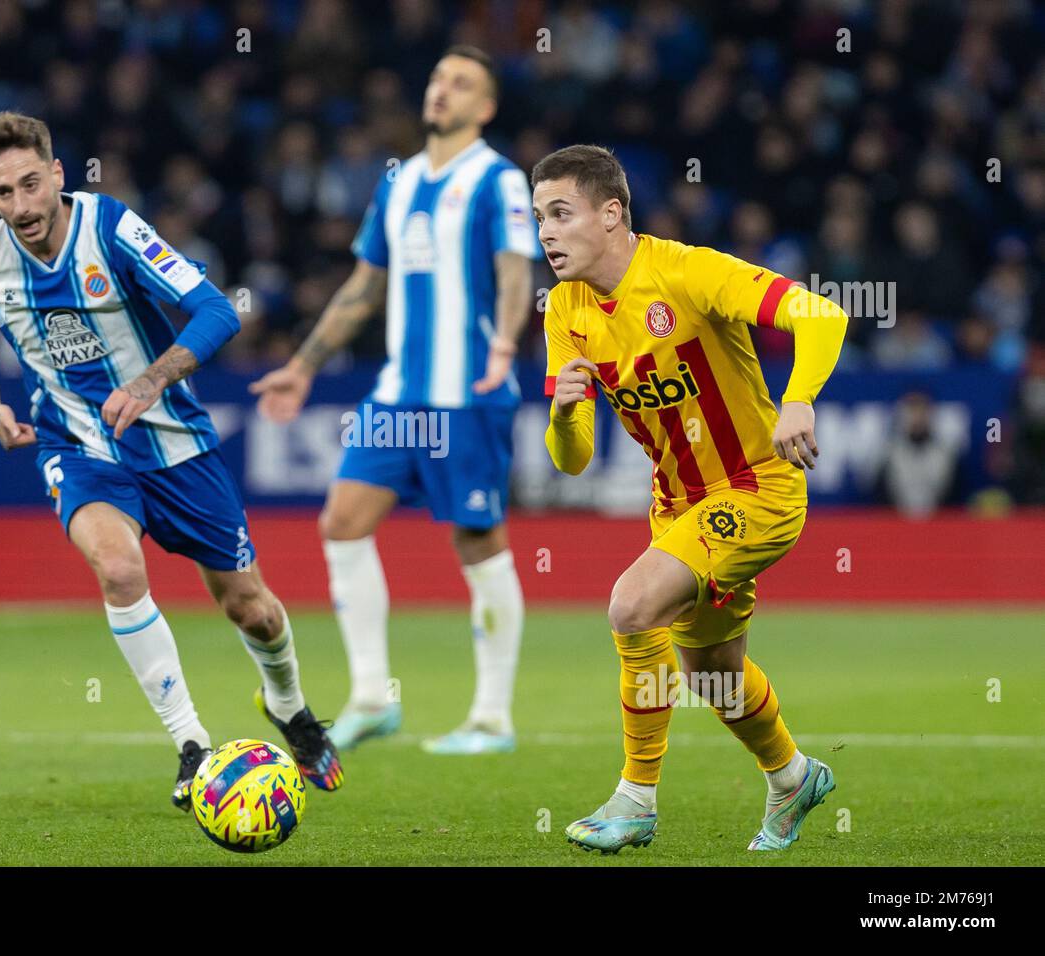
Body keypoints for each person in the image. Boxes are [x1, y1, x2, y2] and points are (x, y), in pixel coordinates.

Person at [0, 111, 343, 811]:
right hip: (77, 444)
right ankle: (191, 746)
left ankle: (292, 711)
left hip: (174, 442)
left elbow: (217, 311)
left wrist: (149, 381)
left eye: (31, 185)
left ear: (57, 174)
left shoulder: (110, 228)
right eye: (2, 193)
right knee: (120, 568)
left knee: (253, 610)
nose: (20, 206)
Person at [533, 144, 848, 852]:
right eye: (538, 219)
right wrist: (561, 413)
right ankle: (794, 775)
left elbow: (821, 315)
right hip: (680, 506)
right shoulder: (564, 309)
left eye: (561, 214)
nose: (546, 234)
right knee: (715, 677)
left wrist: (797, 400)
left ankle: (635, 800)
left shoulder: (687, 270)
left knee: (631, 603)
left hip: (757, 486)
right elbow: (574, 461)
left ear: (611, 214)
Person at [250, 46, 541, 755]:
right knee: (342, 521)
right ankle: (373, 696)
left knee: (478, 543)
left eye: (463, 82)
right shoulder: (401, 182)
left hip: (467, 393)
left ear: (486, 106)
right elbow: (361, 288)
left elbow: (514, 272)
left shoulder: (497, 180)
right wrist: (302, 366)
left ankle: (492, 717)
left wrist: (507, 343)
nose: (443, 90)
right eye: (439, 77)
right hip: (397, 398)